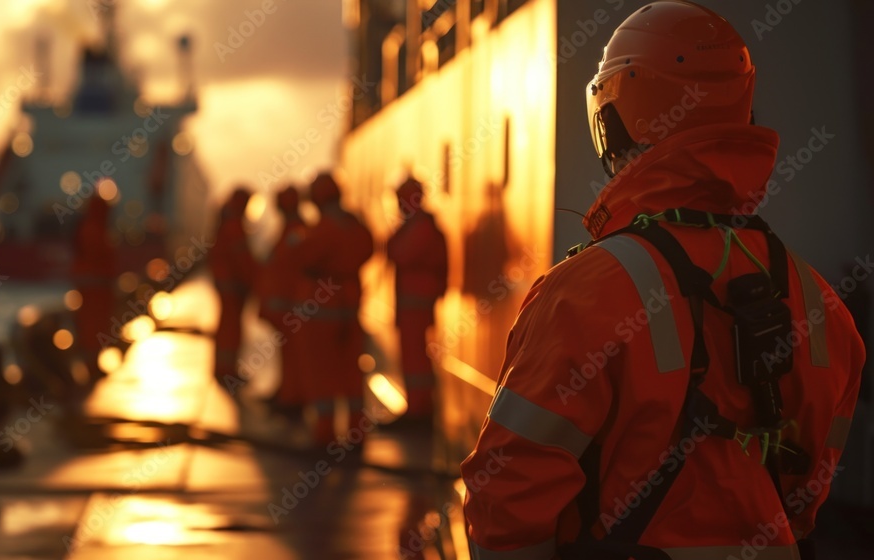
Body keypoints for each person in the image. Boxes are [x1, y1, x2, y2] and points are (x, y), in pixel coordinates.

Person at [461, 3, 865, 560]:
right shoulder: (821, 303)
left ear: (617, 115)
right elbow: (805, 496)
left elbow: (505, 498)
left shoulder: (586, 291)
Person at [293, 173, 374, 446]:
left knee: (322, 374)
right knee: (351, 373)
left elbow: (304, 258)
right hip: (349, 309)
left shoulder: (323, 229)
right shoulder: (354, 225)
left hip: (322, 313)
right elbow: (368, 249)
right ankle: (355, 432)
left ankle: (325, 434)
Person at [386, 177, 448, 425]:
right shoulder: (417, 225)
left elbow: (399, 253)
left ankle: (419, 412)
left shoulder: (420, 227)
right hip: (414, 301)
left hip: (416, 303)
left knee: (415, 357)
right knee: (414, 356)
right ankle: (417, 407)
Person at [258, 185, 309, 419]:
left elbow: (289, 269)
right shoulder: (291, 229)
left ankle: (293, 398)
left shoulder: (297, 231)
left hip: (292, 307)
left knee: (295, 355)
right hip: (286, 307)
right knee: (288, 354)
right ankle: (287, 393)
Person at [209, 187, 259, 392]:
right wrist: (255, 277)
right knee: (231, 329)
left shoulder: (226, 223)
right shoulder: (234, 226)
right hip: (233, 286)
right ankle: (227, 371)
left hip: (227, 284)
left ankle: (223, 368)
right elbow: (242, 260)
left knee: (226, 327)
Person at [71, 195, 117, 384]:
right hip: (94, 292)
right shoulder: (93, 230)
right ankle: (90, 369)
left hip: (99, 291)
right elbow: (98, 257)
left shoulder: (96, 228)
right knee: (92, 329)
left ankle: (94, 366)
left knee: (97, 328)